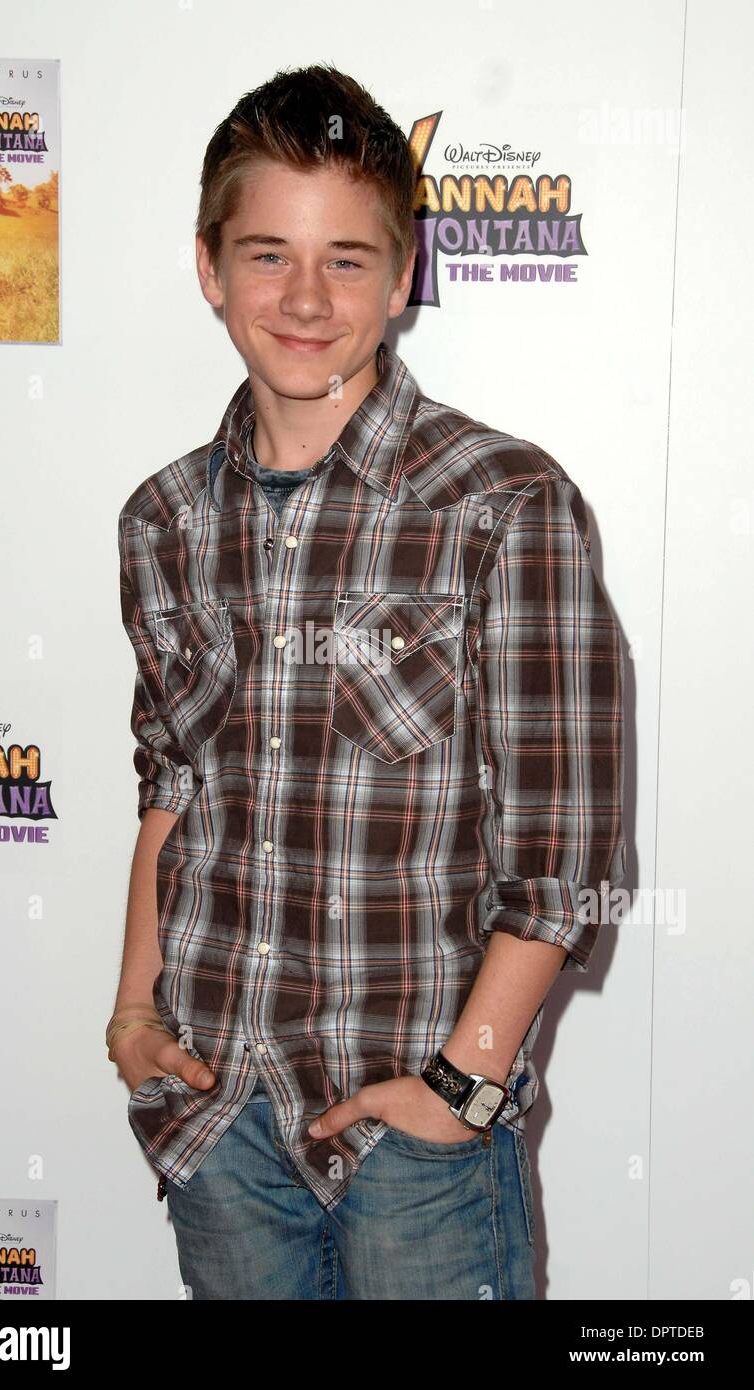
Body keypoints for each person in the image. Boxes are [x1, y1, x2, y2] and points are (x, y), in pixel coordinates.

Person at [108, 63, 626, 1300]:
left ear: (401, 278)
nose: (304, 298)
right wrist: (132, 1013)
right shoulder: (162, 519)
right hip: (217, 1117)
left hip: (418, 1141)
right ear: (208, 266)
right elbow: (170, 784)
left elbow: (563, 859)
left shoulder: (502, 503)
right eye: (267, 254)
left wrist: (464, 1081)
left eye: (345, 260)